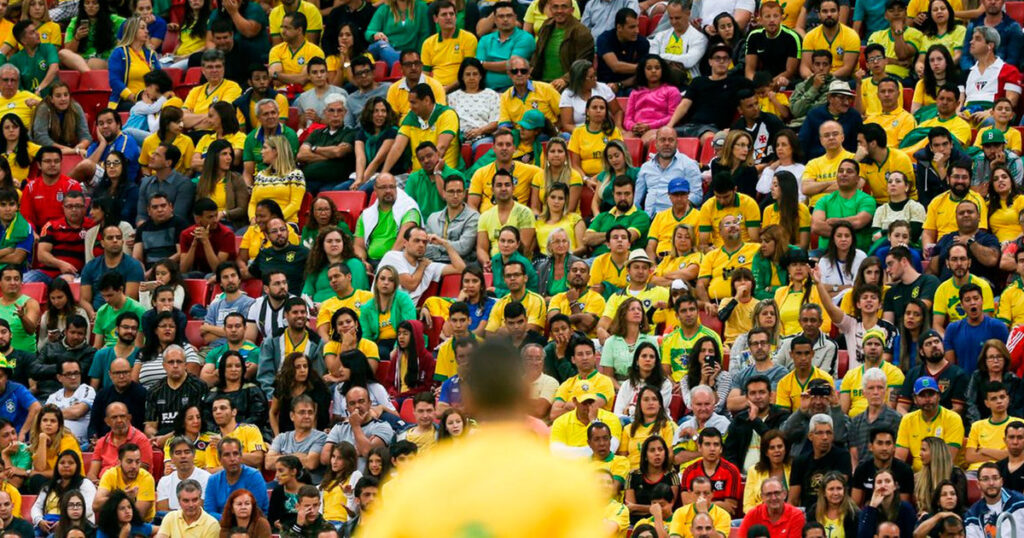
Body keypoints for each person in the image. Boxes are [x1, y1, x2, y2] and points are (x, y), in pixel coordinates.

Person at [666, 43, 747, 144]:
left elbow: (746, 107)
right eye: (717, 58)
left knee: (709, 139)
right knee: (655, 137)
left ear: (730, 62)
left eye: (725, 58)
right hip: (690, 126)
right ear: (710, 62)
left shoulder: (737, 83)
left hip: (713, 129)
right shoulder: (698, 81)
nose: (721, 61)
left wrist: (731, 129)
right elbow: (684, 105)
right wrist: (669, 126)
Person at [896, 376, 965, 471]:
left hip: (945, 474)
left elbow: (947, 460)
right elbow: (899, 458)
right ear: (915, 399)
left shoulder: (953, 418)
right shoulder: (907, 419)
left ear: (939, 396)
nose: (927, 399)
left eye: (931, 394)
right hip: (916, 476)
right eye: (922, 395)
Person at [142, 345, 207, 444]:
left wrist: (167, 438)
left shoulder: (198, 386)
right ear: (164, 365)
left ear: (185, 365)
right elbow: (150, 425)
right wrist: (155, 437)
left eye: (179, 362)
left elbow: (198, 424)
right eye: (171, 362)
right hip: (162, 441)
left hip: (191, 441)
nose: (175, 366)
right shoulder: (154, 391)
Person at [788, 414, 853, 511]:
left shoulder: (842, 456)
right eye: (820, 433)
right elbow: (793, 500)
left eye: (829, 433)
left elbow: (838, 492)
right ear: (810, 436)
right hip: (808, 514)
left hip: (835, 512)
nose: (825, 437)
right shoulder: (800, 461)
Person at [296, 95, 356, 195]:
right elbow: (301, 155)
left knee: (324, 197)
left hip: (334, 181)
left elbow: (338, 152)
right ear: (325, 113)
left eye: (339, 111)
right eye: (331, 110)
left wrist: (314, 148)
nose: (335, 115)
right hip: (309, 180)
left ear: (345, 113)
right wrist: (330, 156)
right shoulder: (316, 133)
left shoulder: (350, 133)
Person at [203, 438, 269, 520]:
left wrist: (226, 519)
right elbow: (208, 512)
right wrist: (227, 521)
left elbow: (254, 511)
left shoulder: (254, 476)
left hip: (252, 526)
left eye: (235, 454)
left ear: (241, 456)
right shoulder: (213, 480)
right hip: (221, 527)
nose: (232, 459)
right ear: (219, 459)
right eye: (227, 455)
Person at [93, 443, 155, 522]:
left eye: (137, 462)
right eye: (129, 462)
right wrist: (122, 496)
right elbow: (96, 505)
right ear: (119, 462)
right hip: (114, 523)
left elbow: (139, 517)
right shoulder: (110, 475)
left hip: (142, 525)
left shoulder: (147, 478)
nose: (134, 466)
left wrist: (116, 500)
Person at [625, 436, 678, 524]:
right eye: (652, 450)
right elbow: (630, 508)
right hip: (637, 523)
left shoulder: (672, 475)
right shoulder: (633, 475)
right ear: (645, 456)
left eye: (660, 449)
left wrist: (637, 507)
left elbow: (668, 508)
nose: (657, 453)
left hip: (665, 523)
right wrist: (656, 508)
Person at [87, 360, 146, 441]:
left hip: (134, 443)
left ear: (131, 371)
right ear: (110, 374)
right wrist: (93, 438)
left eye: (125, 372)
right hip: (105, 443)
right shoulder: (102, 394)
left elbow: (145, 425)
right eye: (117, 373)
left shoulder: (142, 394)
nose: (121, 376)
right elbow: (93, 424)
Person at [964, 462, 1024, 536]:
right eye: (985, 479)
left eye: (995, 478)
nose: (991, 483)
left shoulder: (1020, 502)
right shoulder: (972, 515)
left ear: (1001, 481)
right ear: (978, 484)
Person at [155, 437, 210, 512]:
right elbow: (163, 512)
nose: (183, 456)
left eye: (187, 452)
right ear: (172, 458)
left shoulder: (207, 478)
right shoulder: (164, 482)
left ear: (194, 455)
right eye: (178, 453)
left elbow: (198, 511)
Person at [738, 476, 806, 536]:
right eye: (768, 494)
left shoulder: (796, 516)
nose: (773, 498)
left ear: (784, 494)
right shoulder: (753, 515)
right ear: (762, 497)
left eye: (777, 493)